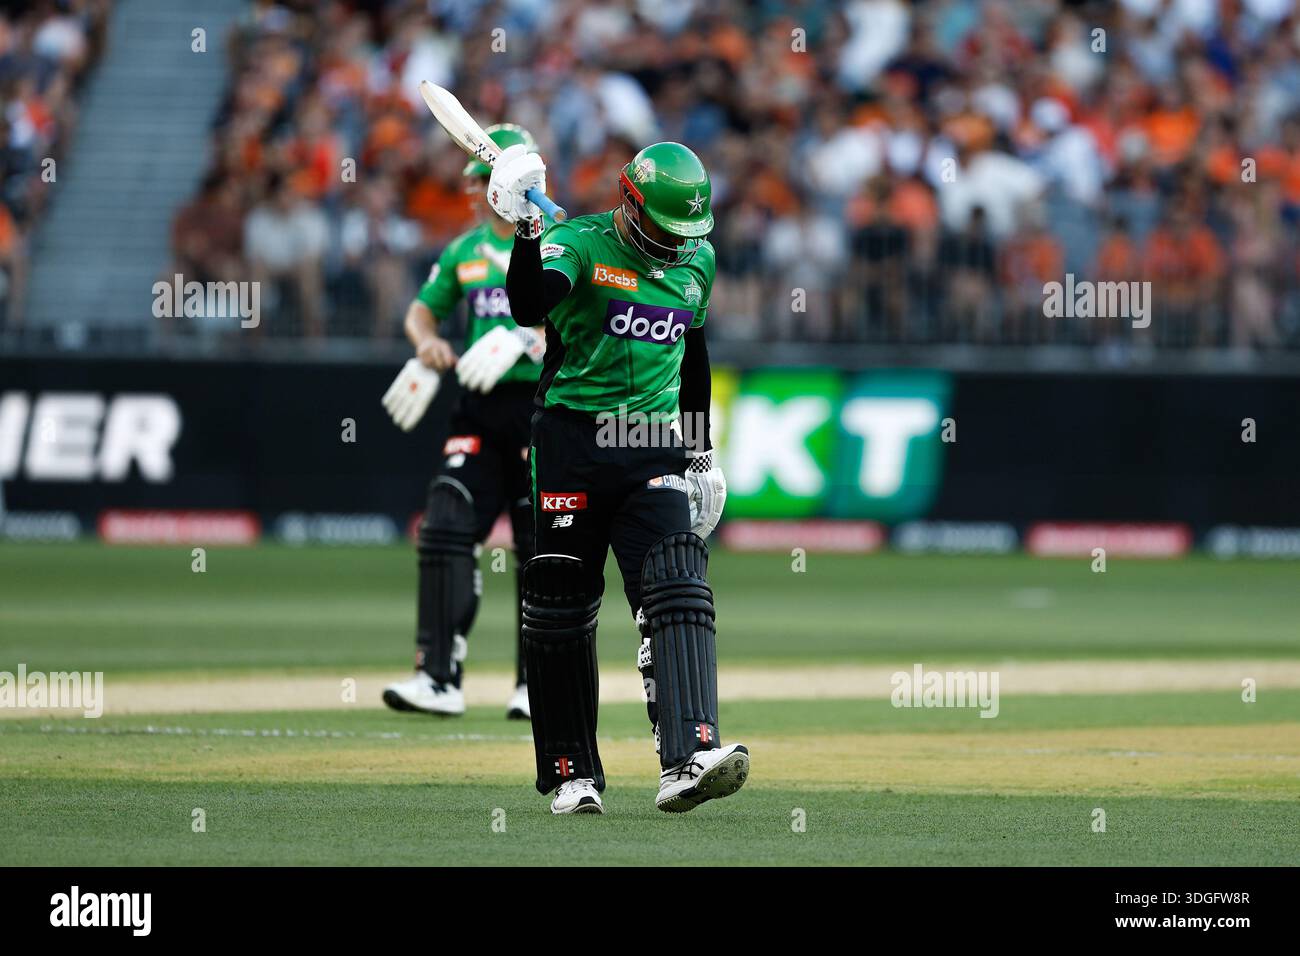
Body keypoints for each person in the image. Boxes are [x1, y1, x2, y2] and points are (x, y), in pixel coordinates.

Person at [491, 138, 748, 815]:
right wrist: (525, 227)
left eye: (686, 233)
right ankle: (571, 773)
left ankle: (689, 756)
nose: (675, 246)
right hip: (572, 439)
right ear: (630, 206)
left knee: (677, 581)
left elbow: (694, 356)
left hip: (651, 443)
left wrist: (699, 451)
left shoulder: (699, 262)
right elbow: (526, 305)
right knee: (560, 609)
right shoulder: (576, 243)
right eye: (665, 231)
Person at [381, 125, 548, 721]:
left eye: (481, 179)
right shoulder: (463, 252)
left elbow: (589, 326)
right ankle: (438, 678)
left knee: (541, 548)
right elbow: (422, 314)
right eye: (473, 180)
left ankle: (540, 685)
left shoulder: (559, 241)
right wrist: (428, 347)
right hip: (477, 409)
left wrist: (528, 338)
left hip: (545, 410)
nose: (473, 191)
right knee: (446, 522)